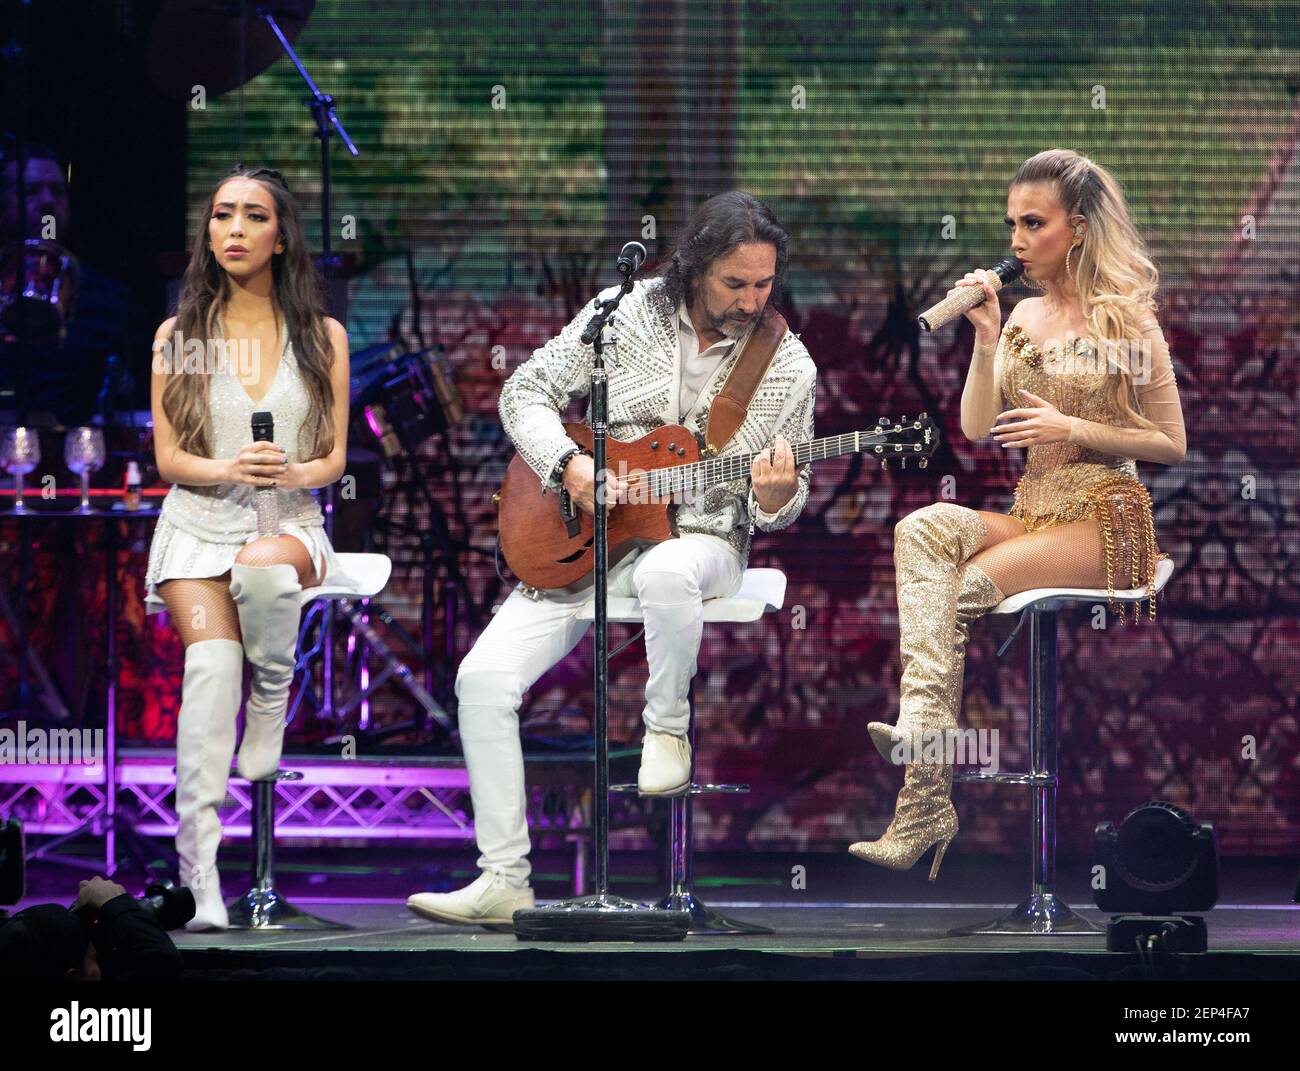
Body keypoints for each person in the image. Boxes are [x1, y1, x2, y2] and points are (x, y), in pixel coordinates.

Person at [407, 191, 817, 927]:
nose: (752, 301)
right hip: (596, 533)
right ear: (694, 267)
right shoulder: (620, 314)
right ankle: (503, 877)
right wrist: (569, 464)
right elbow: (524, 391)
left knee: (669, 570)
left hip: (704, 541)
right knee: (482, 680)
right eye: (735, 284)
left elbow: (779, 505)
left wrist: (777, 493)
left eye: (764, 285)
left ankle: (666, 729)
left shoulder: (788, 365)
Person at [851, 149, 1186, 879]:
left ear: (1079, 228)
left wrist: (1074, 429)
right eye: (1011, 223)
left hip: (1106, 520)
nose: (1015, 239)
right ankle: (928, 775)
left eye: (1032, 223)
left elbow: (1171, 442)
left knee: (961, 587)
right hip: (1034, 511)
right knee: (922, 529)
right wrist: (983, 337)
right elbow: (975, 427)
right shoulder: (1023, 314)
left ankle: (922, 790)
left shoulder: (1126, 323)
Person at [144, 165, 351, 930]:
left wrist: (292, 468)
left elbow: (332, 456)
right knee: (207, 673)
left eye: (252, 215)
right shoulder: (182, 338)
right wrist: (230, 465)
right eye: (222, 214)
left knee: (264, 571)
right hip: (197, 525)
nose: (233, 228)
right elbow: (169, 457)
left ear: (280, 235)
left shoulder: (319, 336)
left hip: (285, 520)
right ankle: (199, 882)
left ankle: (271, 704)